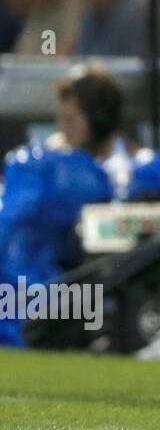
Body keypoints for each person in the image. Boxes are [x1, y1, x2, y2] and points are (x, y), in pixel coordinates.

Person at [0, 66, 121, 346]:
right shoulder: (59, 166)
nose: (60, 129)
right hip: (48, 311)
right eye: (60, 119)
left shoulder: (44, 166)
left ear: (98, 122)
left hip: (31, 314)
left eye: (70, 120)